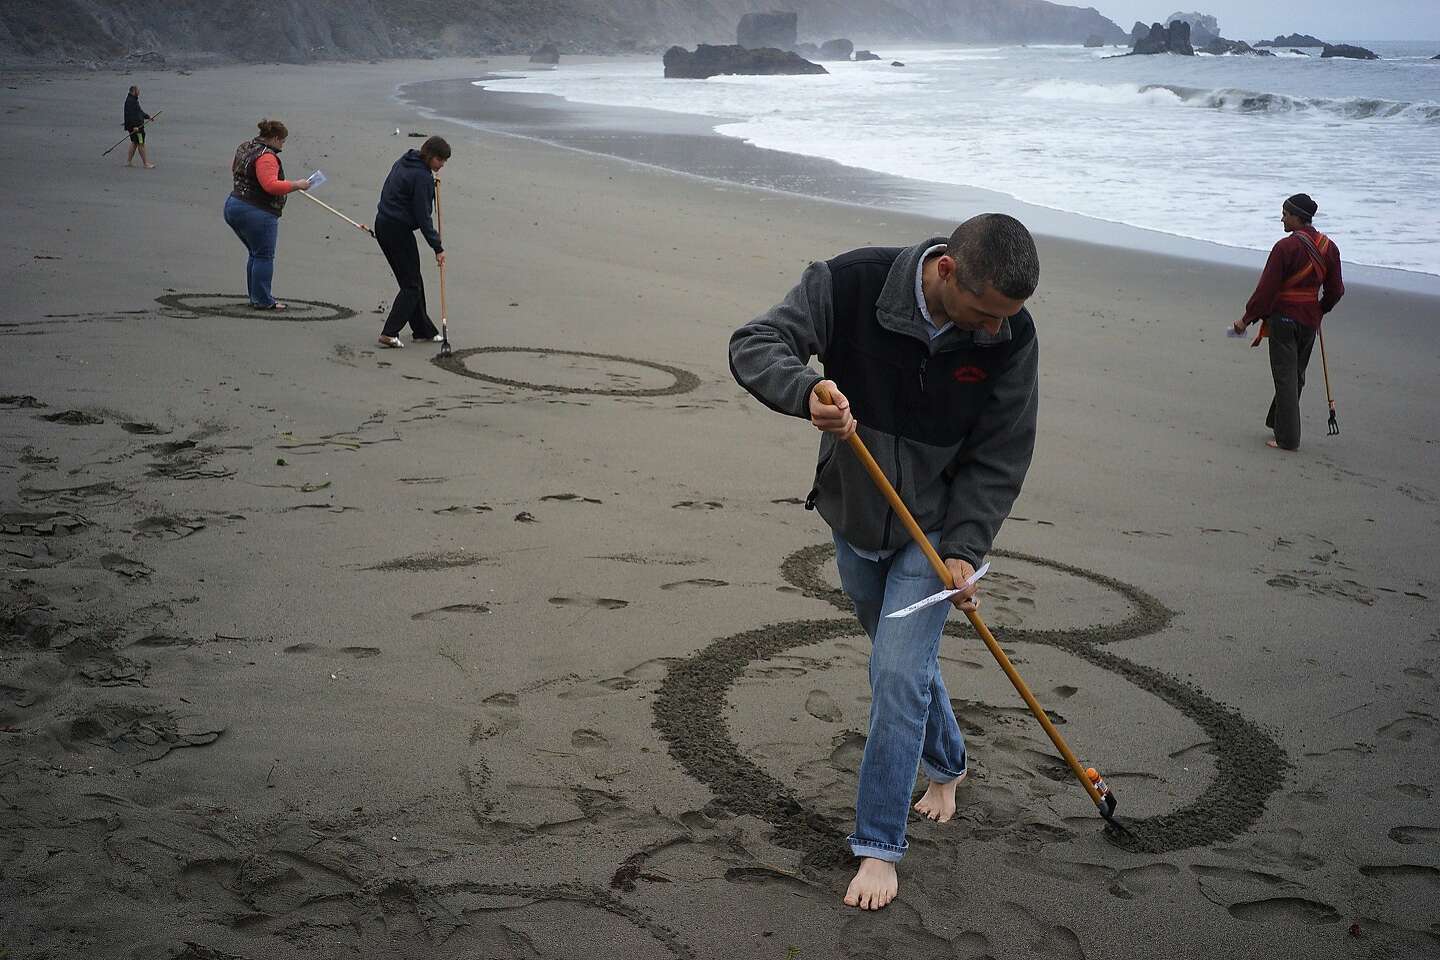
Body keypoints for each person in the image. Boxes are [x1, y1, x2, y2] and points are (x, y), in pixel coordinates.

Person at [729, 214, 1040, 911]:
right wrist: (806, 391)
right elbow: (755, 343)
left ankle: (878, 846)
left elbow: (1002, 452)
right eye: (986, 313)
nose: (996, 329)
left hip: (935, 533)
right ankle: (949, 762)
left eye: (1008, 317)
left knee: (896, 673)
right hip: (855, 514)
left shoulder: (1011, 334)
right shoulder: (850, 282)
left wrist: (963, 550)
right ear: (947, 271)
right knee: (903, 660)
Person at [1232, 193, 1344, 451]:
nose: (1282, 219)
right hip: (1310, 321)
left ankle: (1288, 439)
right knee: (1296, 376)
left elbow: (1266, 290)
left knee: (1285, 377)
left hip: (1283, 319)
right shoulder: (1329, 247)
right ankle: (1278, 422)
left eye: (1285, 214)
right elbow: (1336, 290)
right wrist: (1320, 310)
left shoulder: (1284, 247)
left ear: (1298, 217)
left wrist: (1246, 319)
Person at [222, 118, 312, 311]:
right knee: (263, 255)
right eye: (283, 141)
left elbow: (236, 169)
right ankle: (262, 300)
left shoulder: (246, 147)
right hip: (256, 212)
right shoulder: (267, 157)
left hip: (234, 205)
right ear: (276, 138)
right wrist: (297, 185)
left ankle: (256, 297)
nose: (283, 145)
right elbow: (270, 186)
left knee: (256, 254)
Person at [373, 136, 450, 348]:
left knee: (413, 279)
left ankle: (422, 330)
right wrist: (438, 247)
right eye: (440, 160)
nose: (442, 165)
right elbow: (423, 218)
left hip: (383, 222)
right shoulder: (422, 176)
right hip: (397, 230)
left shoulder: (405, 160)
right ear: (430, 156)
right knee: (411, 286)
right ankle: (389, 333)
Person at [123, 85, 154, 168]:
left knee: (134, 142)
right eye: (138, 91)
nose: (139, 92)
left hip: (135, 126)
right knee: (141, 143)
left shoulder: (133, 100)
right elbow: (130, 115)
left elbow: (139, 112)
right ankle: (145, 163)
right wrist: (134, 126)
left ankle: (128, 162)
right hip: (137, 128)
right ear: (133, 91)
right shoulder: (130, 101)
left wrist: (148, 117)